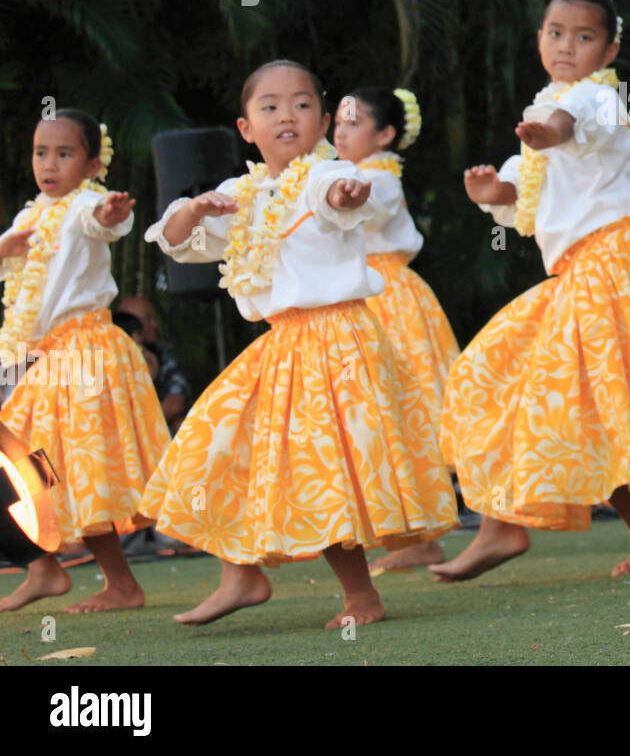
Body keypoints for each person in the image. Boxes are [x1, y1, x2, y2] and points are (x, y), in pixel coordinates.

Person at [432, 0, 630, 581]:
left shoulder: (596, 99)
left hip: (615, 268)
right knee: (497, 376)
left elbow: (562, 129)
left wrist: (544, 134)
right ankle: (518, 527)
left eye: (584, 36)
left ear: (609, 48)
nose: (566, 45)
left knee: (591, 407)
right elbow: (519, 189)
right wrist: (489, 191)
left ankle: (515, 530)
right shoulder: (549, 101)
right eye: (554, 32)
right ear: (539, 38)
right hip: (579, 273)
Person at [142, 60, 459, 628]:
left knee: (328, 469)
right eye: (270, 107)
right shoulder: (240, 192)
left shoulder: (324, 175)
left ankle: (361, 597)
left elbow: (339, 202)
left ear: (322, 121)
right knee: (213, 442)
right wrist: (193, 208)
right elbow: (176, 241)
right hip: (282, 346)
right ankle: (241, 575)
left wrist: (343, 193)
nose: (286, 115)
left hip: (337, 341)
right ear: (246, 129)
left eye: (302, 105)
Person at [0, 111, 171, 613]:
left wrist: (111, 214)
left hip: (87, 354)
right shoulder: (28, 217)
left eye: (65, 153)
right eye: (40, 153)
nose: (49, 163)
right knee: (25, 463)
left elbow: (104, 222)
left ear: (93, 164)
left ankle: (121, 584)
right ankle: (45, 568)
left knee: (78, 466)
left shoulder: (85, 205)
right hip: (45, 358)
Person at [332, 86, 460, 572]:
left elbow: (372, 208)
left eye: (353, 123)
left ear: (385, 134)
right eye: (338, 122)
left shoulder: (378, 178)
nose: (340, 131)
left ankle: (426, 534)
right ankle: (410, 538)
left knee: (407, 411)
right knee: (382, 417)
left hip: (388, 299)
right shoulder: (349, 174)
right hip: (365, 296)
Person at [116, 295, 190, 431]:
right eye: (149, 319)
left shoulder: (162, 357)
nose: (155, 325)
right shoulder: (107, 360)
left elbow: (176, 404)